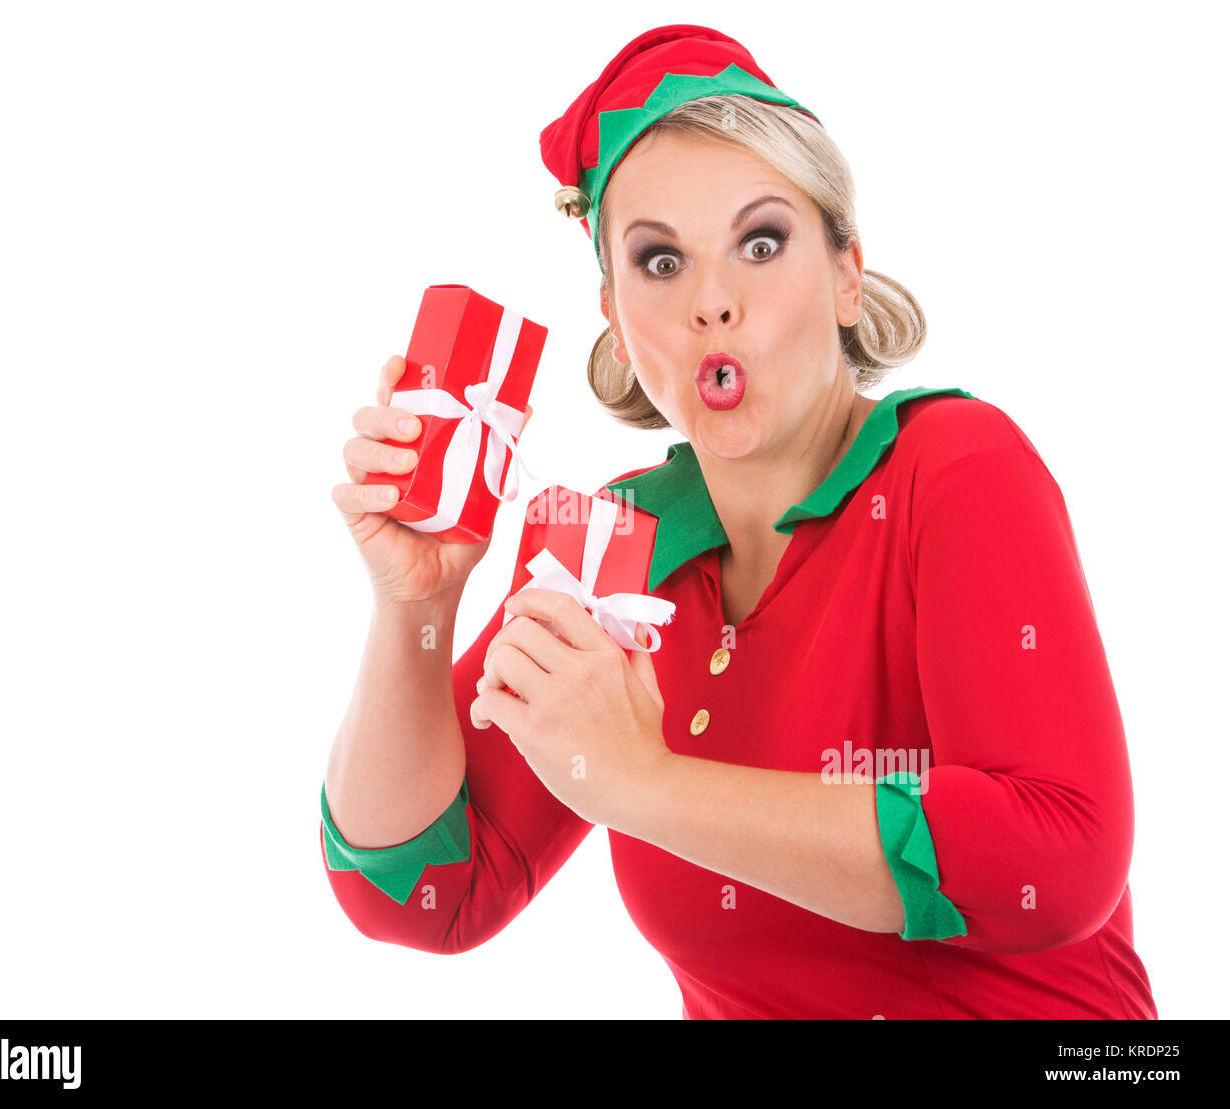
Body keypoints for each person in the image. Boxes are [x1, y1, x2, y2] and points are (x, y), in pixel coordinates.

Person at [320, 23, 1157, 1019]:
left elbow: (1055, 858)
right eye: (660, 261)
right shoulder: (609, 538)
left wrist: (642, 782)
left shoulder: (957, 469)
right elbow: (417, 892)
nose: (711, 302)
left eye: (760, 243)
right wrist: (416, 607)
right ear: (616, 320)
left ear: (847, 272)